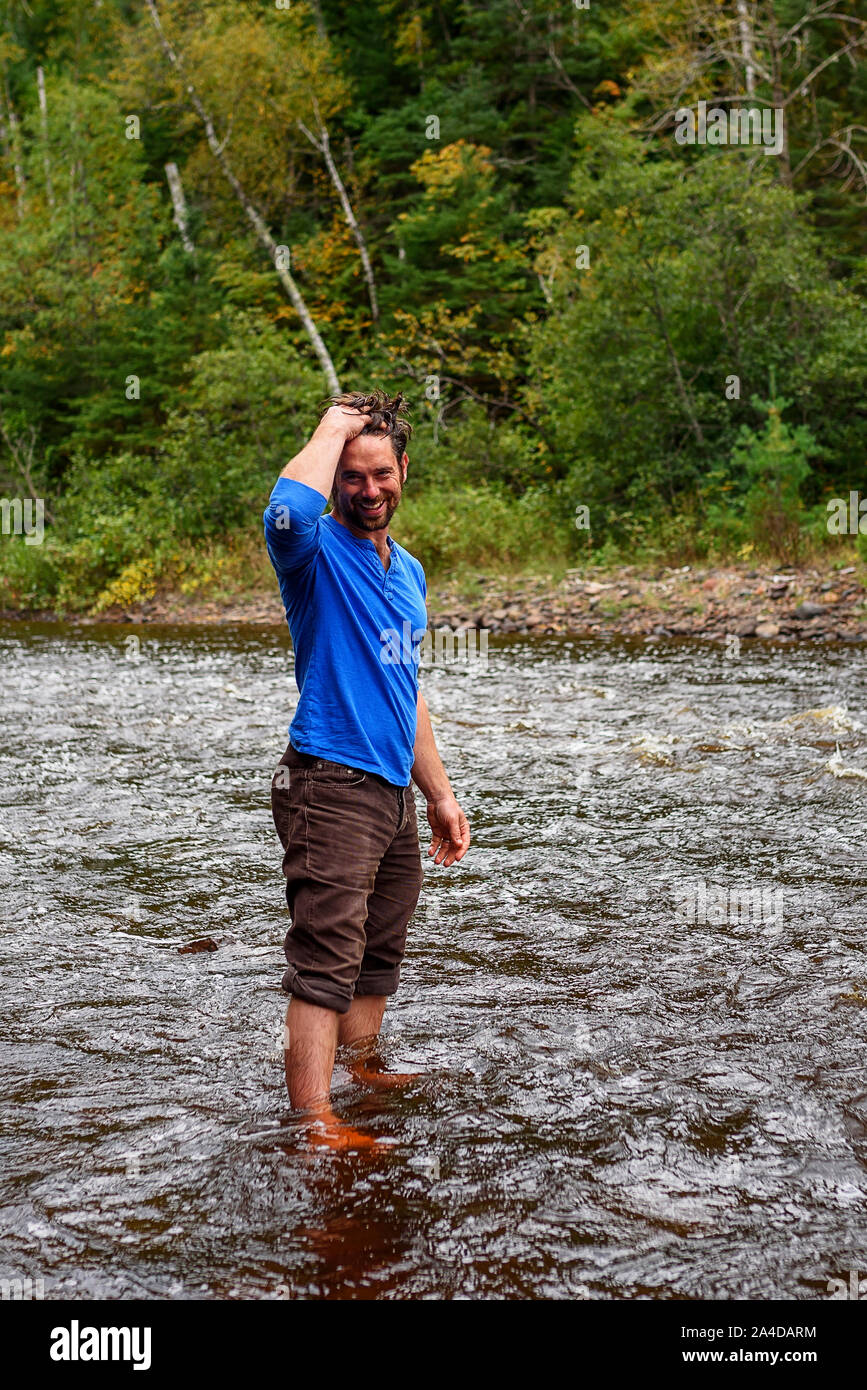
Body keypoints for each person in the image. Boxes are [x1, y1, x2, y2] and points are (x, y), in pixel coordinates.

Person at [264, 390, 471, 1149]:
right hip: (328, 778)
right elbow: (283, 510)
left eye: (380, 473)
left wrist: (439, 794)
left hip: (390, 790)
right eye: (352, 475)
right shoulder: (312, 551)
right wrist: (332, 425)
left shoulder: (408, 570)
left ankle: (361, 1070)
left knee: (378, 950)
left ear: (403, 470)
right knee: (326, 954)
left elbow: (404, 688)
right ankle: (312, 1119)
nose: (368, 490)